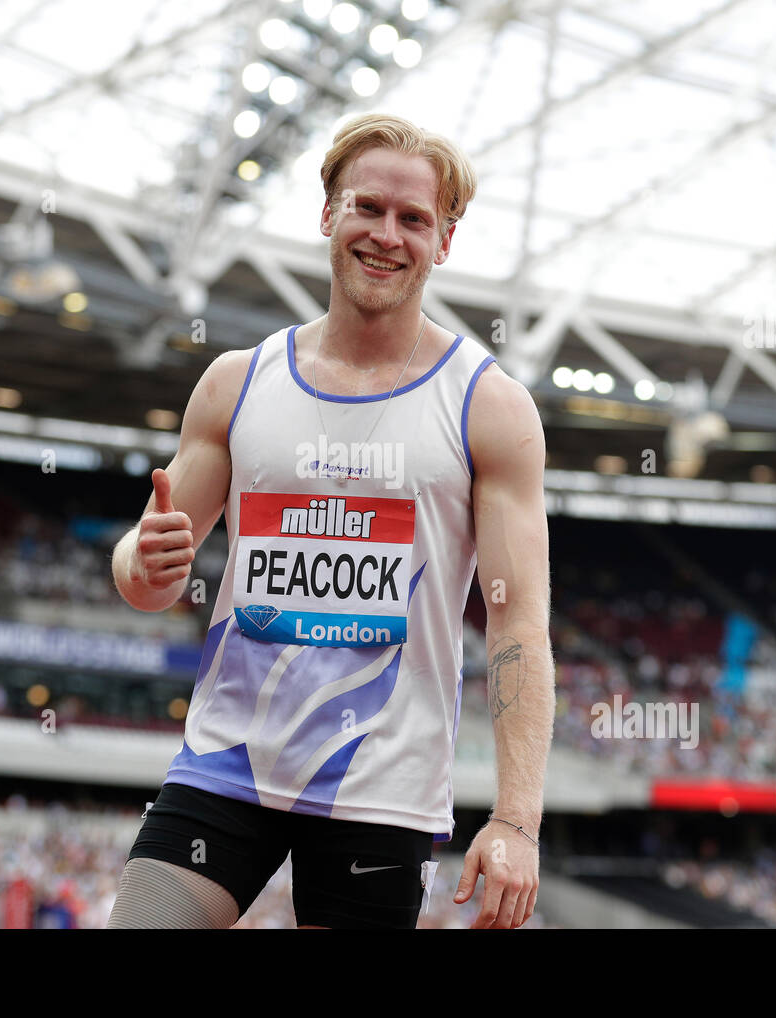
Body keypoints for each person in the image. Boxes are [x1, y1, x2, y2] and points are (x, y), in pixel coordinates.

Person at [108, 113, 553, 930]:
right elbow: (140, 572)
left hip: (382, 784)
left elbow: (518, 621)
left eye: (413, 219)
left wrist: (517, 820)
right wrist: (145, 561)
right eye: (368, 208)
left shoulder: (488, 406)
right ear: (328, 215)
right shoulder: (236, 383)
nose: (387, 235)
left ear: (445, 240)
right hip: (224, 763)